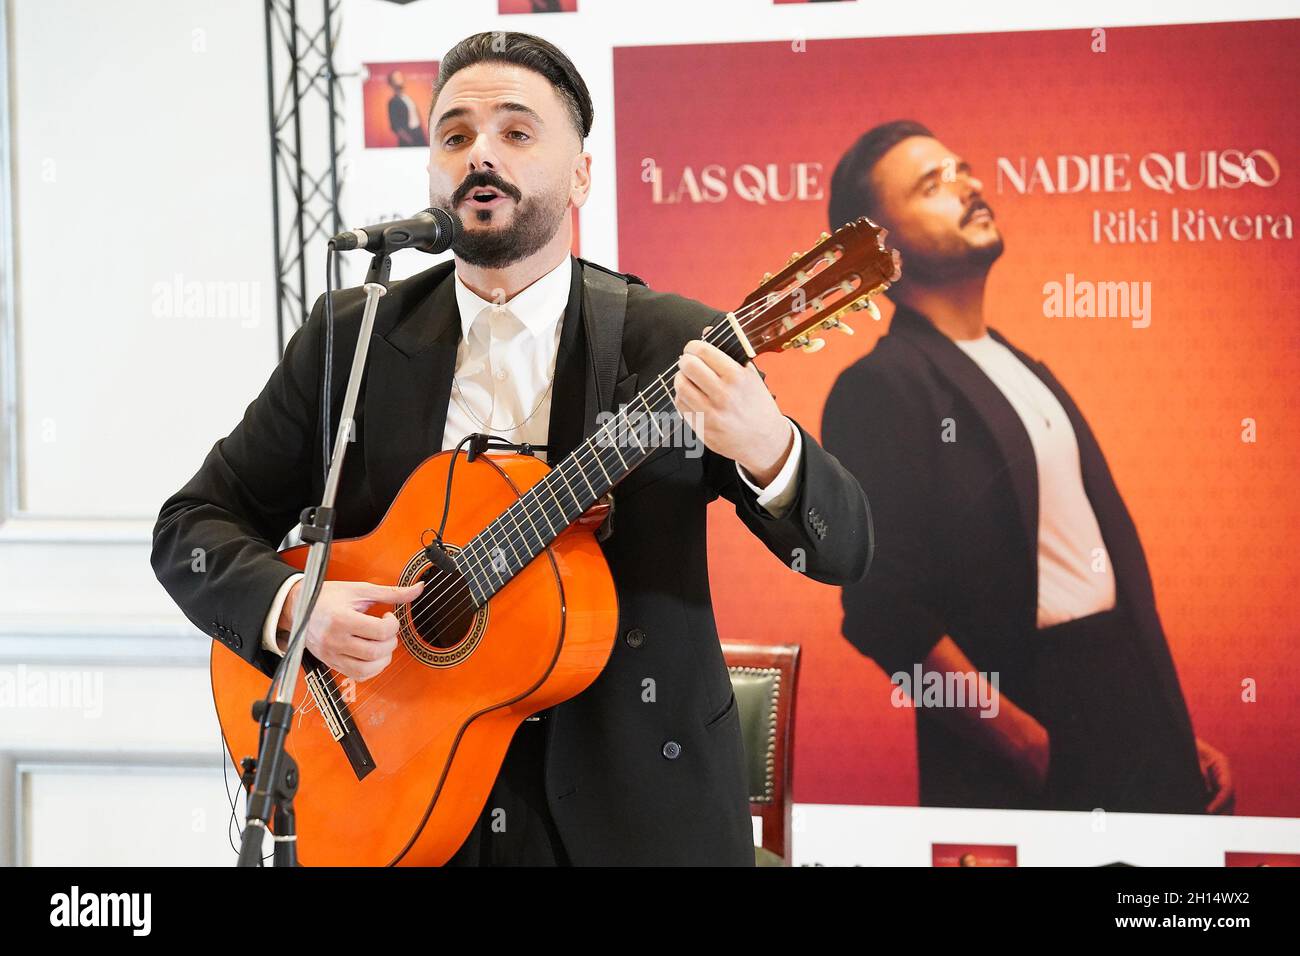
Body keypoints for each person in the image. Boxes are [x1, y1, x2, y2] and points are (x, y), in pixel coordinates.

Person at [151, 32, 872, 866]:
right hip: (401, 796)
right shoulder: (353, 339)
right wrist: (293, 610)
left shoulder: (670, 344)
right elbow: (192, 525)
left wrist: (767, 446)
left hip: (633, 815)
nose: (479, 154)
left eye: (516, 133)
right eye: (454, 136)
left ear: (581, 175)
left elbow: (844, 549)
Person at [822, 121, 1233, 815]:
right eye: (933, 183)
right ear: (878, 246)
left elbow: (1086, 571)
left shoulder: (1023, 367)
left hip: (1131, 703)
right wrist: (1026, 748)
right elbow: (883, 616)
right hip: (1033, 726)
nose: (969, 185)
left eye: (963, 168)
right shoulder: (881, 387)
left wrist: (1168, 731)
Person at [386, 70, 428, 147]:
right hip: (409, 138)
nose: (399, 79)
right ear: (391, 83)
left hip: (419, 134)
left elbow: (416, 117)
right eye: (396, 78)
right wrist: (409, 140)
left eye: (400, 77)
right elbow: (395, 126)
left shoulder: (407, 98)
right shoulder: (393, 102)